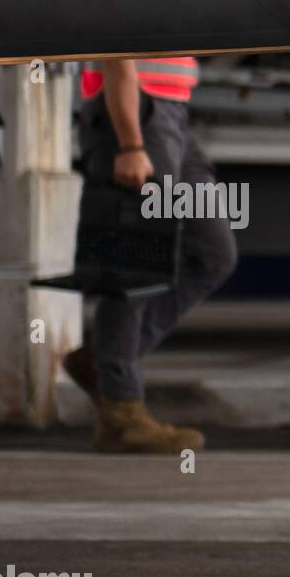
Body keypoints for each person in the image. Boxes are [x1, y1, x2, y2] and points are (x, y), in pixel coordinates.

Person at [64, 57, 237, 453]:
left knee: (213, 253)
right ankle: (121, 415)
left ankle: (105, 362)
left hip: (170, 111)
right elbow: (117, 52)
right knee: (132, 264)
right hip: (134, 112)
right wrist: (130, 143)